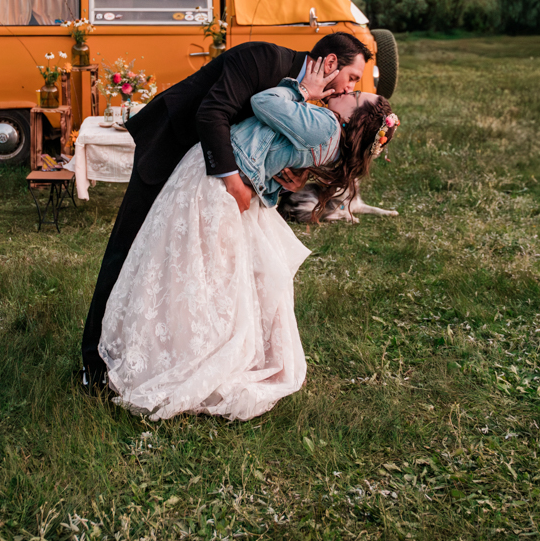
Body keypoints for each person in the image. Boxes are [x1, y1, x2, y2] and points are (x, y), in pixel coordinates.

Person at [98, 66, 398, 420]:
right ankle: (181, 347)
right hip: (232, 182)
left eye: (354, 95)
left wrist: (303, 89)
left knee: (184, 268)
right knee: (205, 274)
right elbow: (275, 162)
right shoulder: (330, 134)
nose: (346, 91)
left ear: (356, 118)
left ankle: (180, 356)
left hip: (218, 181)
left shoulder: (325, 125)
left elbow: (264, 102)